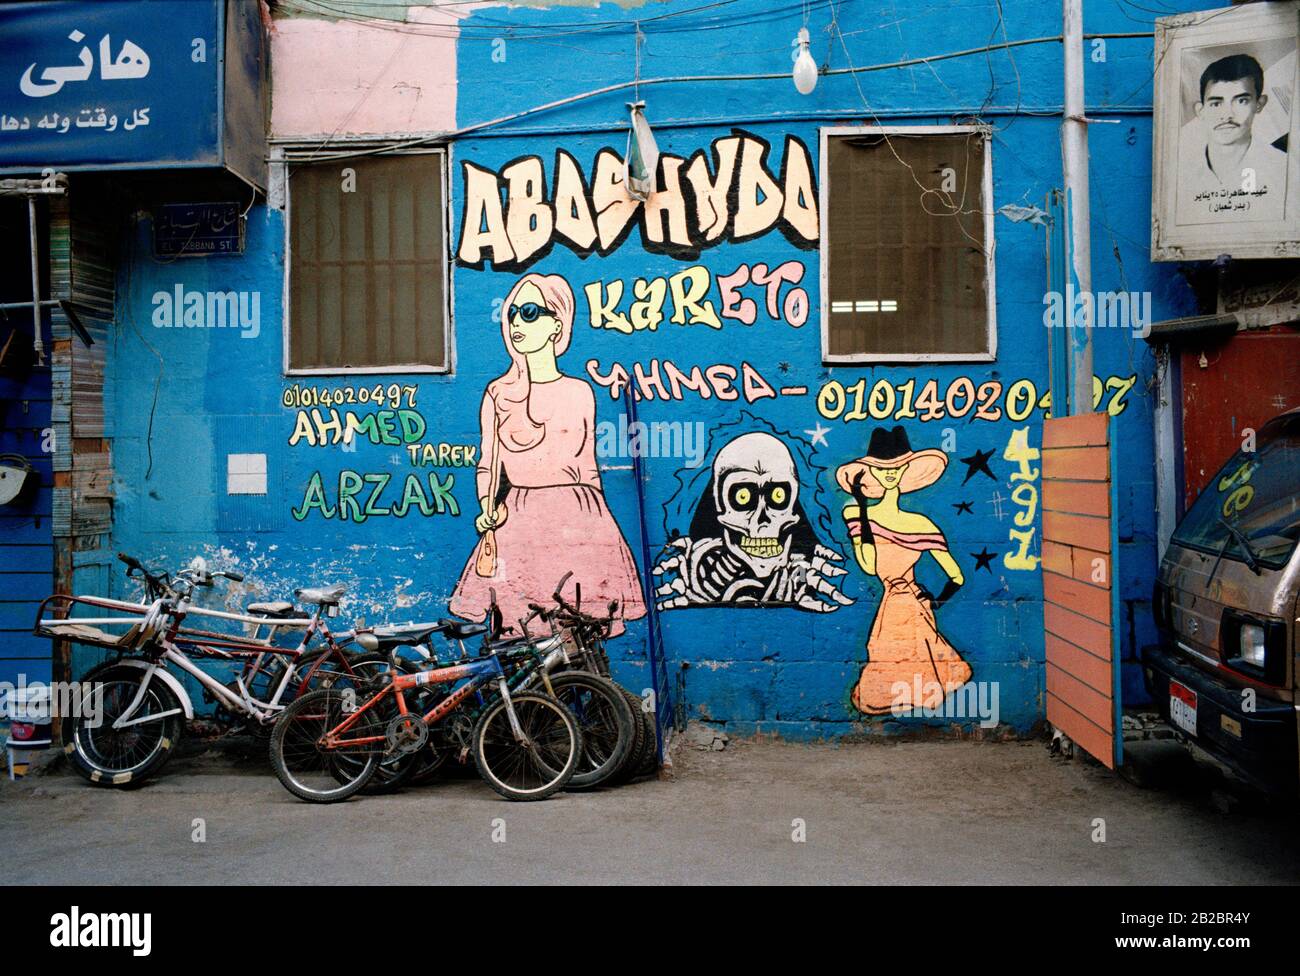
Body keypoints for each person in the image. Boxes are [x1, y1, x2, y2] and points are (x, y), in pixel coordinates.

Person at [450, 273, 646, 635]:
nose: (516, 324)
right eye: (511, 315)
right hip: (518, 520)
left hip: (581, 517)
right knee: (517, 629)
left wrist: (601, 533)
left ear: (557, 323)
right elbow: (487, 464)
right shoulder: (498, 393)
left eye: (529, 312)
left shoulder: (580, 393)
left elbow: (589, 471)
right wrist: (486, 507)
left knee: (576, 628)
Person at [835, 426, 970, 715]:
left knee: (918, 662)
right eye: (882, 468)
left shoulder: (920, 524)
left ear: (907, 468)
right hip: (890, 604)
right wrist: (860, 506)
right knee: (885, 654)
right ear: (870, 471)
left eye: (897, 466)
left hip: (914, 605)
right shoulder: (858, 515)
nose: (890, 473)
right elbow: (869, 566)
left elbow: (956, 576)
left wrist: (935, 601)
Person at [1177, 53, 1288, 223]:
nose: (1227, 115)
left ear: (1259, 104)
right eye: (1216, 103)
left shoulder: (1284, 170)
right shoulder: (1181, 175)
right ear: (1201, 111)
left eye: (1241, 101)